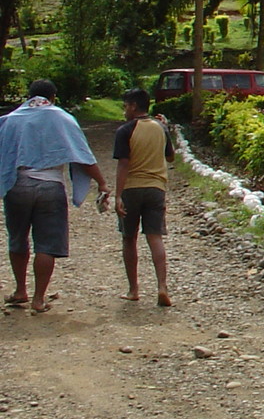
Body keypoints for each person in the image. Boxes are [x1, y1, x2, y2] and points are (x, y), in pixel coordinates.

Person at [0, 79, 110, 313]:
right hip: (50, 185)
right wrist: (101, 182)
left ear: (28, 96)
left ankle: (20, 290)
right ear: (53, 97)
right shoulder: (61, 118)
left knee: (18, 238)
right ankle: (39, 299)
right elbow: (82, 155)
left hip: (17, 184)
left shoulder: (10, 120)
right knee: (46, 244)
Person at [112, 87, 176, 306]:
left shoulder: (125, 130)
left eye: (125, 106)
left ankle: (133, 289)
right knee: (154, 236)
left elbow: (123, 164)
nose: (124, 111)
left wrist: (118, 195)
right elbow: (171, 157)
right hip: (156, 188)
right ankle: (162, 286)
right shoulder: (160, 128)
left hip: (132, 188)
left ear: (133, 106)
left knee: (129, 238)